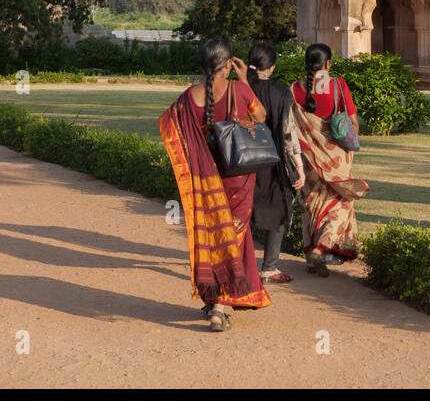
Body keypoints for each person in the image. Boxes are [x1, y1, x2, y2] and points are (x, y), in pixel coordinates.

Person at [158, 39, 271, 331]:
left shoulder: (188, 98)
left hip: (205, 183)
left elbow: (169, 126)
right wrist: (245, 81)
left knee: (210, 238)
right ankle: (220, 306)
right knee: (233, 237)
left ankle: (212, 298)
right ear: (228, 62)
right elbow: (261, 118)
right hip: (237, 179)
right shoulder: (241, 89)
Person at [290, 43, 368, 276]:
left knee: (312, 204)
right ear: (328, 64)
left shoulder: (294, 89)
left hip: (307, 160)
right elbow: (352, 123)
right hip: (337, 159)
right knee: (340, 203)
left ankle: (312, 256)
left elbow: (290, 126)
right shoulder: (337, 85)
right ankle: (323, 247)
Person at [246, 42, 306, 284]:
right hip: (273, 162)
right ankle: (268, 267)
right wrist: (299, 167)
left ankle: (240, 264)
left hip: (242, 162)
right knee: (279, 210)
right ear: (271, 68)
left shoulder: (240, 88)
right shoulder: (281, 91)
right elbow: (288, 132)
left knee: (242, 213)